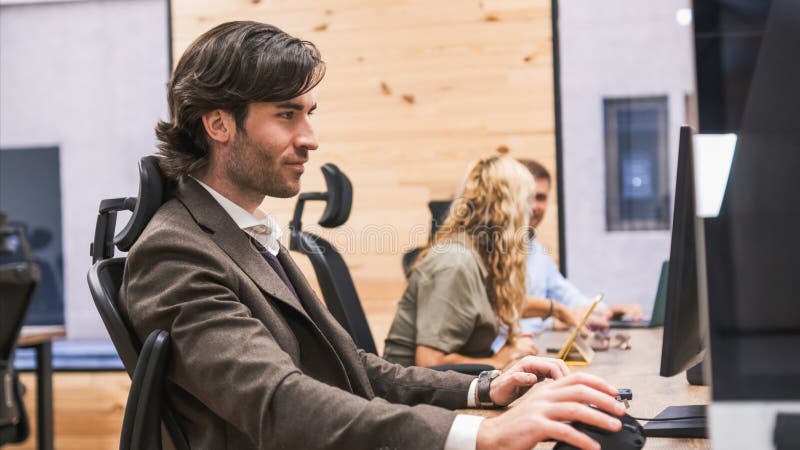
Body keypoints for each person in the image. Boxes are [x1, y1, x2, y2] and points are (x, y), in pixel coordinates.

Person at [121, 21, 625, 450]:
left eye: (308, 115)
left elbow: (353, 367)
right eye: (286, 115)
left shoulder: (241, 230)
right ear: (218, 124)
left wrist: (485, 391)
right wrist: (479, 436)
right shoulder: (177, 252)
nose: (310, 139)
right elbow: (279, 402)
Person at [493, 159, 642, 350]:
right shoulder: (491, 250)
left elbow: (568, 296)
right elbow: (498, 316)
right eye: (528, 197)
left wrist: (605, 311)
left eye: (541, 198)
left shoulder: (536, 251)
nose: (535, 207)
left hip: (530, 349)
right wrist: (553, 319)